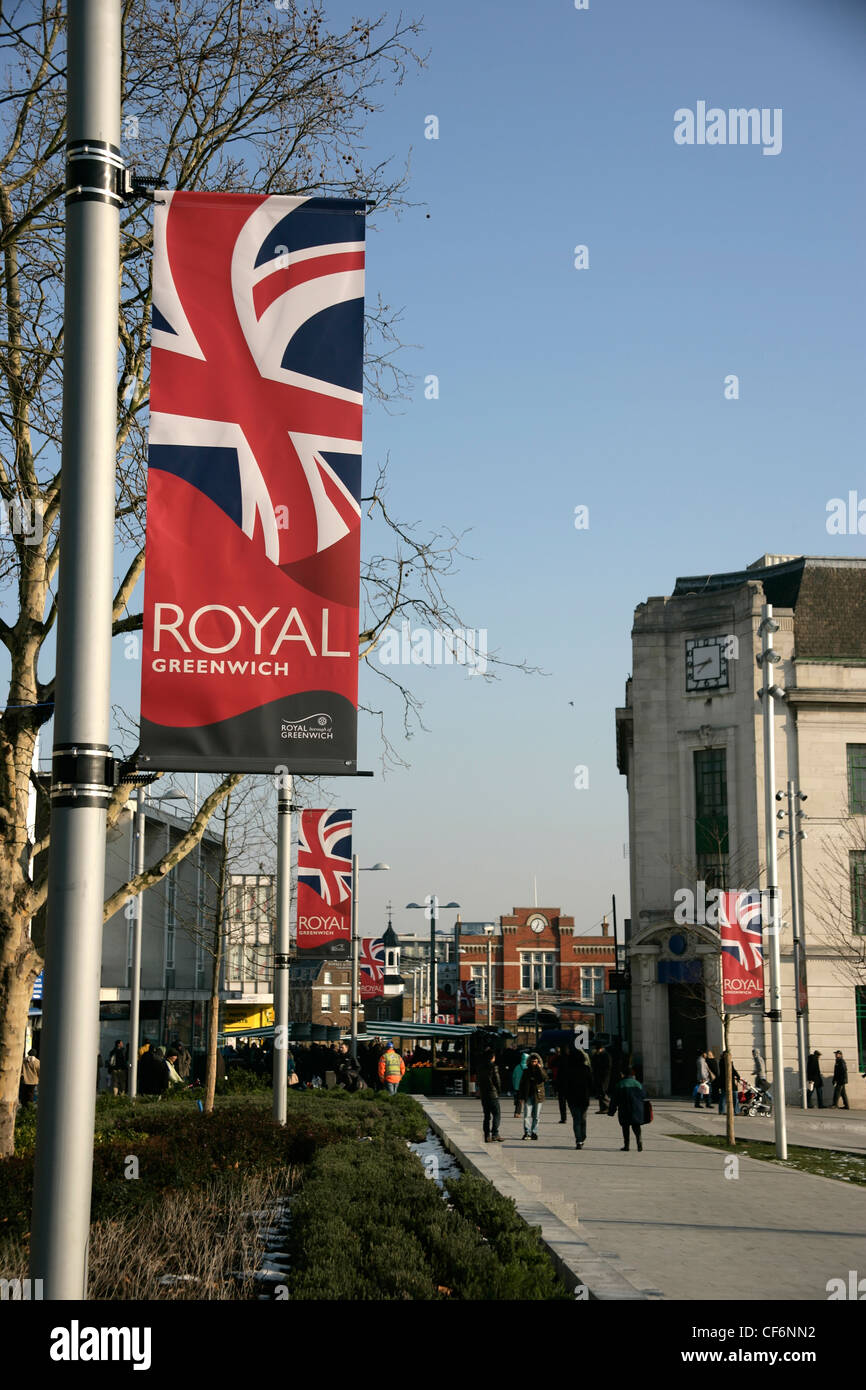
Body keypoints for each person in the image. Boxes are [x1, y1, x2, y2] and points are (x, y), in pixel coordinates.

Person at [561, 1042, 592, 1149]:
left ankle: (578, 1140)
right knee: (583, 1119)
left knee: (576, 1119)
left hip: (572, 1098)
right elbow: (591, 1083)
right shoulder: (586, 1069)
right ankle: (582, 1137)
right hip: (584, 1098)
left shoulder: (568, 1070)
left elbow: (564, 1085)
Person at [609, 1065, 646, 1152]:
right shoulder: (638, 1084)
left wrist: (611, 1111)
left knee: (625, 1127)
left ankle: (627, 1145)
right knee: (636, 1126)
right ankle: (639, 1140)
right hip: (637, 1109)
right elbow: (643, 1095)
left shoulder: (620, 1084)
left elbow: (614, 1099)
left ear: (623, 1074)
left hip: (624, 1109)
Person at [519, 1052, 547, 1140]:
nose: (534, 1063)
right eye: (532, 1061)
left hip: (538, 1095)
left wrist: (540, 1069)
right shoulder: (526, 1071)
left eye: (535, 1061)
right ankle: (527, 1132)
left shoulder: (541, 1070)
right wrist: (520, 1097)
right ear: (529, 1062)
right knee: (526, 1115)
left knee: (536, 1116)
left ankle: (534, 1132)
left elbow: (545, 1079)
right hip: (528, 1095)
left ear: (538, 1062)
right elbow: (522, 1084)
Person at [477, 1047, 503, 1142]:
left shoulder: (480, 1067)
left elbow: (478, 1081)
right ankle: (495, 1134)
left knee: (486, 1116)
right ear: (492, 1057)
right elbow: (497, 1080)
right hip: (493, 1094)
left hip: (484, 1094)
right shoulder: (493, 1066)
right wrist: (499, 1090)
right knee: (497, 1114)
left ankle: (487, 1135)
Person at [548, 1047, 568, 1124]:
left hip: (560, 1082)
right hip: (569, 1083)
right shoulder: (570, 1058)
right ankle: (575, 1117)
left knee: (562, 1102)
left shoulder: (557, 1058)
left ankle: (564, 1118)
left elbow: (551, 1064)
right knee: (572, 1103)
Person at [591, 1044, 612, 1115]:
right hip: (598, 1076)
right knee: (600, 1092)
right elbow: (593, 1064)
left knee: (602, 1091)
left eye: (598, 1049)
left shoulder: (606, 1055)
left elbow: (608, 1066)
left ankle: (607, 1107)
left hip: (604, 1077)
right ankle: (602, 1108)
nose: (597, 1051)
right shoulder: (596, 1055)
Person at [511, 1049, 530, 1117]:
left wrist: (514, 1085)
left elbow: (513, 1077)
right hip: (525, 1086)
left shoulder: (517, 1067)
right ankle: (527, 1112)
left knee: (519, 1100)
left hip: (517, 1086)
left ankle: (517, 1113)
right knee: (527, 1100)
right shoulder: (528, 1067)